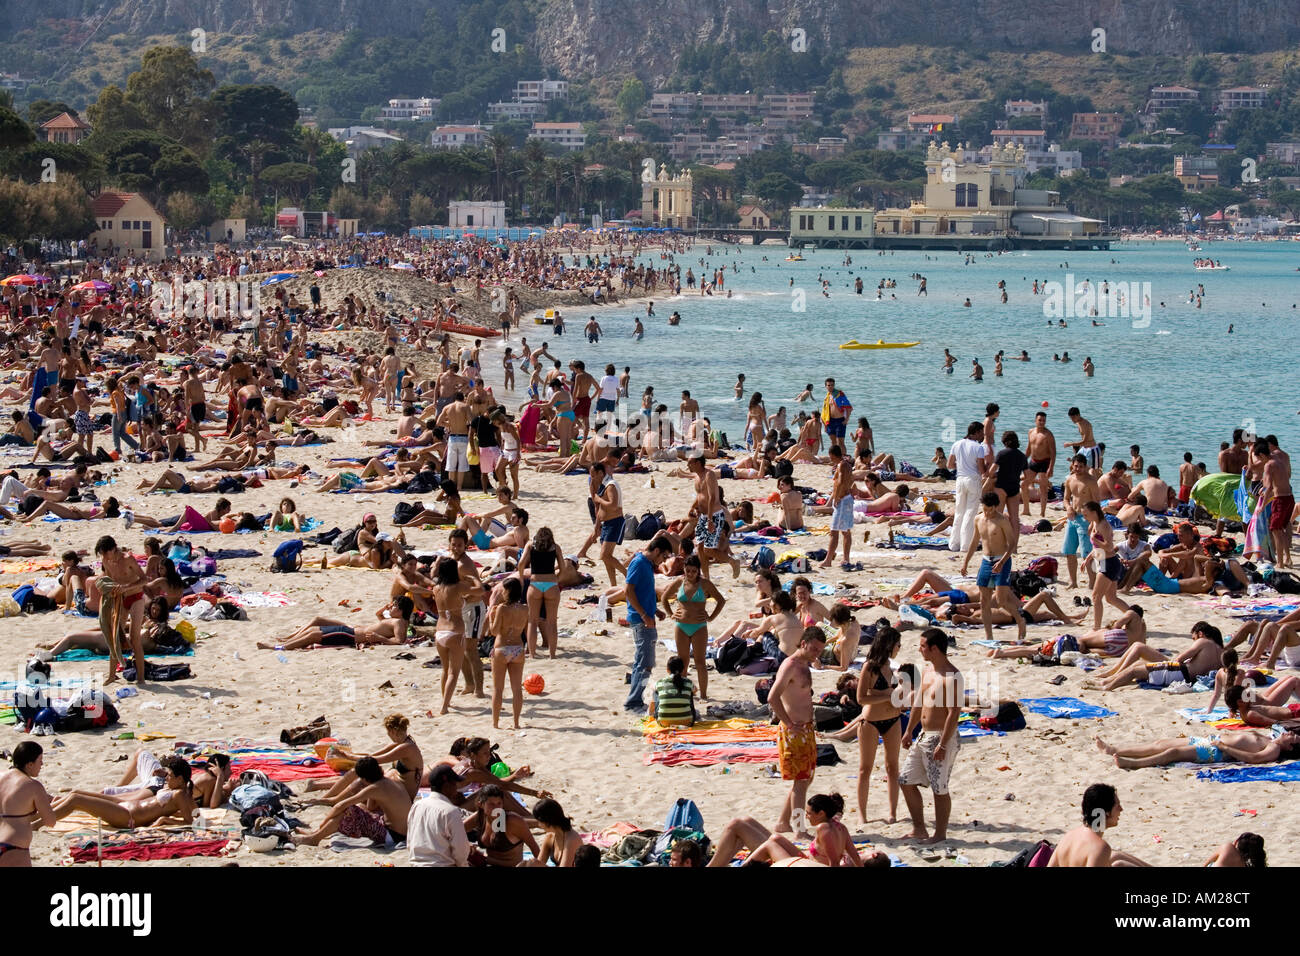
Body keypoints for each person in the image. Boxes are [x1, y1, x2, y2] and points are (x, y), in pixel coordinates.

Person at [899, 628, 961, 844]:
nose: (920, 649)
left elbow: (954, 712)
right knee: (905, 780)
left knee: (939, 787)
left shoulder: (952, 676)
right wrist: (908, 730)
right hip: (923, 735)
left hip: (942, 737)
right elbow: (918, 703)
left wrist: (943, 744)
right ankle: (919, 828)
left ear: (934, 648)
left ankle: (940, 834)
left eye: (923, 646)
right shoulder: (927, 671)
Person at [706, 792, 863, 867]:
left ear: (821, 813)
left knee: (737, 825)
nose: (806, 817)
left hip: (802, 864)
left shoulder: (824, 828)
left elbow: (833, 862)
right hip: (805, 860)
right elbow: (855, 855)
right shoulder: (841, 828)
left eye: (808, 813)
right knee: (750, 824)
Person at [769, 626, 825, 834]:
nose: (816, 654)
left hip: (806, 729)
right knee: (801, 782)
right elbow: (772, 698)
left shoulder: (805, 664)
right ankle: (800, 829)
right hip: (794, 731)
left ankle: (783, 822)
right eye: (814, 649)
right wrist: (790, 724)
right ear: (803, 644)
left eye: (819, 651)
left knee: (805, 779)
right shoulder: (790, 665)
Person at [292, 756, 412, 846]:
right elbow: (370, 808)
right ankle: (316, 835)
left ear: (364, 778)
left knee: (348, 810)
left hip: (392, 836)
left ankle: (315, 838)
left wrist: (322, 824)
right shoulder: (391, 780)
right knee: (359, 807)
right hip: (403, 832)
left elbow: (341, 805)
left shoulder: (375, 788)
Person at [856, 625, 904, 826]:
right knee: (865, 769)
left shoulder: (893, 669)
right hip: (870, 722)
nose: (899, 648)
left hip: (893, 719)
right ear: (889, 645)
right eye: (897, 645)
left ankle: (892, 812)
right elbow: (861, 698)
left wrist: (893, 696)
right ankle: (862, 815)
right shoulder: (869, 667)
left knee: (892, 767)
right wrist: (886, 695)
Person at [961, 493, 1025, 642]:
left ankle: (1020, 620)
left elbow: (1011, 544)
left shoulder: (1002, 521)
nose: (987, 513)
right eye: (985, 509)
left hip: (1001, 560)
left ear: (996, 507)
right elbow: (975, 541)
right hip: (985, 561)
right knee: (984, 601)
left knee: (1002, 600)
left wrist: (1002, 562)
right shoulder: (978, 519)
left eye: (990, 510)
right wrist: (965, 562)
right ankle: (989, 636)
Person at [661, 554, 725, 698]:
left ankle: (703, 695)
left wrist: (711, 617)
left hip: (699, 627)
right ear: (684, 569)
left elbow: (721, 600)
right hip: (681, 626)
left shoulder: (705, 584)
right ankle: (684, 693)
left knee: (700, 662)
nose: (690, 574)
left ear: (699, 571)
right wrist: (671, 613)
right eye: (687, 570)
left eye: (693, 571)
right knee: (683, 662)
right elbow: (664, 597)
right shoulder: (679, 582)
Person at [624, 536, 672, 715]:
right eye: (664, 556)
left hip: (646, 617)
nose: (663, 561)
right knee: (645, 663)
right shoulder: (639, 563)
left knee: (642, 662)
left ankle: (635, 699)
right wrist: (644, 615)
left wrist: (655, 610)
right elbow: (628, 591)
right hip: (640, 620)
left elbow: (644, 591)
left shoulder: (646, 565)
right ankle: (633, 701)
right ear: (657, 550)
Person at [1048, 784, 1151, 867]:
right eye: (1117, 805)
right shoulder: (1099, 847)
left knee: (1116, 856)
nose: (1121, 809)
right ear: (1106, 812)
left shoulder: (1068, 837)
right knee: (1120, 865)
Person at [1097, 729, 1300, 769]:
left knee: (1172, 754)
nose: (1288, 733)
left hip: (1217, 751)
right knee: (1160, 744)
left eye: (1291, 735)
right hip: (1212, 741)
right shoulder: (1272, 737)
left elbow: (1253, 759)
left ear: (1290, 745)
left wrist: (1224, 746)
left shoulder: (1273, 750)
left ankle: (1132, 763)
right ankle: (1114, 749)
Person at [0, 742, 57, 868]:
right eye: (40, 760)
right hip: (13, 847)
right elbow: (50, 821)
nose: (42, 765)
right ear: (30, 764)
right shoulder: (33, 786)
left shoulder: (1, 776)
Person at [407, 764, 470, 867]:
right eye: (454, 783)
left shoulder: (417, 806)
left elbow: (410, 841)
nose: (456, 788)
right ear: (447, 786)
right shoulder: (450, 812)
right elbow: (460, 852)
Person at [488, 578, 529, 729]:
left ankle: (496, 723)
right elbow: (526, 629)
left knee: (498, 689)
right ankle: (516, 722)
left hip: (502, 647)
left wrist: (492, 617)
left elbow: (494, 631)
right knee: (517, 688)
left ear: (508, 591)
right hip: (518, 648)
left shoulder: (502, 609)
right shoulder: (525, 608)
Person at [947, 421, 985, 554]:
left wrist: (962, 465)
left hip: (960, 478)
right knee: (970, 512)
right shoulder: (978, 447)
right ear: (977, 432)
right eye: (982, 432)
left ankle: (953, 544)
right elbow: (981, 469)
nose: (983, 435)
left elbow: (950, 465)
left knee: (959, 511)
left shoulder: (956, 444)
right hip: (972, 479)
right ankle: (965, 545)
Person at [820, 444, 857, 569]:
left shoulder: (841, 465)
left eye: (831, 457)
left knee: (834, 532)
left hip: (842, 501)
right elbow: (850, 480)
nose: (830, 459)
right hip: (847, 499)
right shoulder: (848, 465)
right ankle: (845, 558)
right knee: (845, 531)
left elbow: (840, 481)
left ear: (833, 455)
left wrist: (837, 497)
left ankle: (828, 559)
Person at [530, 798, 585, 867]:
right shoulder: (550, 837)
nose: (539, 825)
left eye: (539, 821)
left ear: (548, 820)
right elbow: (539, 862)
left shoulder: (572, 839)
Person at [649, 655, 696, 725]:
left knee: (656, 692)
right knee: (690, 692)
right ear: (683, 669)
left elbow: (652, 686)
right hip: (687, 722)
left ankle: (650, 714)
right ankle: (684, 712)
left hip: (663, 722)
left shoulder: (661, 682)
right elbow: (695, 690)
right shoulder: (688, 682)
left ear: (667, 669)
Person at [821, 378, 852, 454]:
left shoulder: (839, 394)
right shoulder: (827, 397)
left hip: (840, 420)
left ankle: (844, 458)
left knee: (840, 442)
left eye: (832, 385)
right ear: (826, 386)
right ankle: (834, 459)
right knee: (833, 442)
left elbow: (848, 407)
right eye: (829, 385)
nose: (830, 387)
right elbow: (824, 412)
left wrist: (846, 419)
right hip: (830, 421)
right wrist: (825, 425)